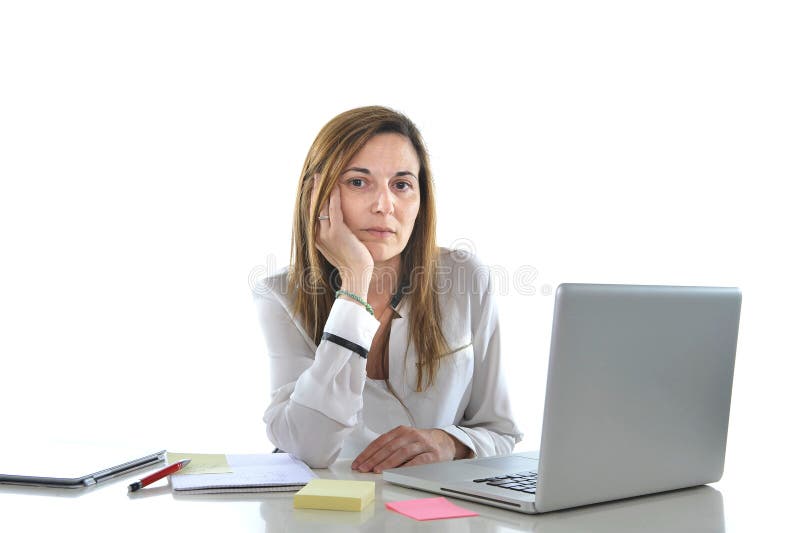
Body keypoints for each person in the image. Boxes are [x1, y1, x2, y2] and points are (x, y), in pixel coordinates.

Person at [253, 105, 522, 471]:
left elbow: (501, 434)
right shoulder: (280, 295)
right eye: (358, 182)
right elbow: (310, 448)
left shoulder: (465, 277)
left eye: (401, 185)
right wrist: (354, 285)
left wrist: (450, 443)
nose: (384, 206)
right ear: (318, 196)